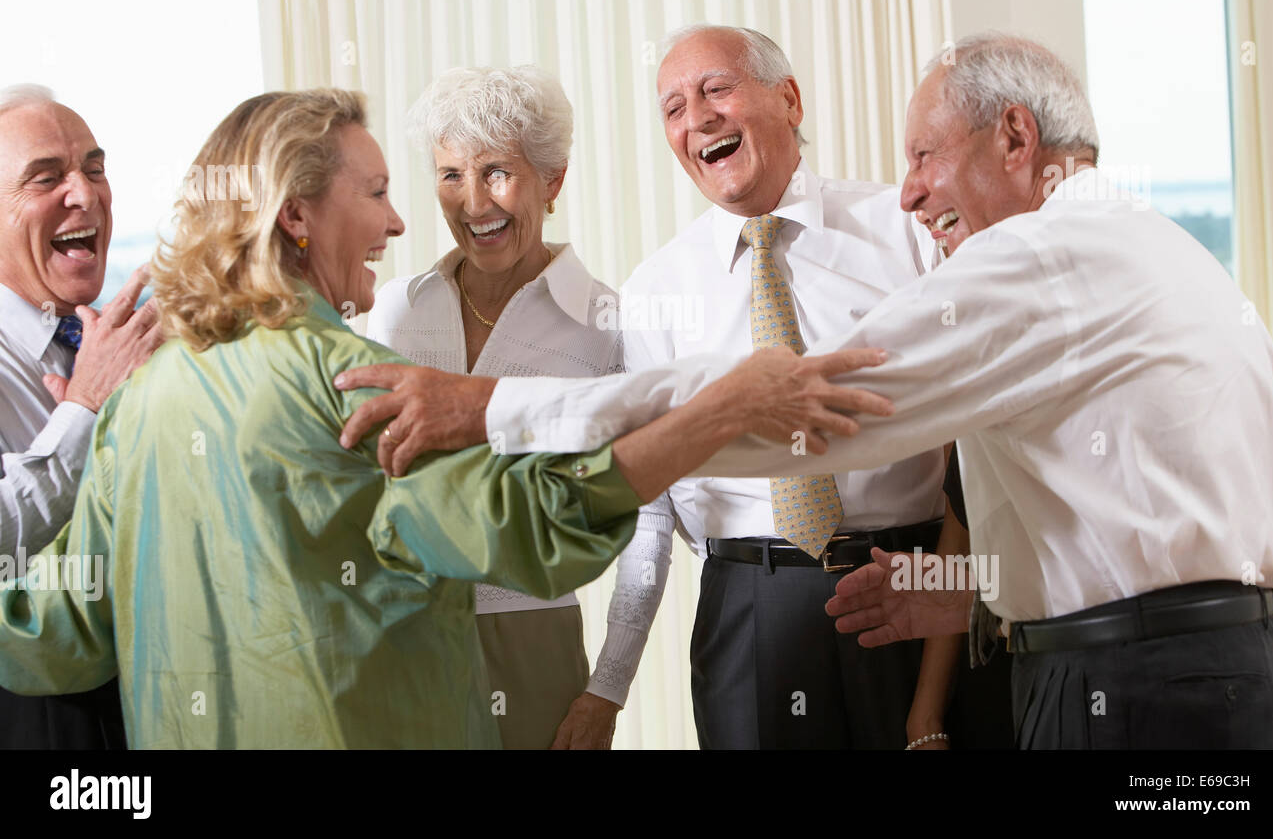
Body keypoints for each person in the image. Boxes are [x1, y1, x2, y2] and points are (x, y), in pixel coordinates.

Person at [341, 32, 1273, 748]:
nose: (913, 192)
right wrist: (968, 592)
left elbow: (811, 408)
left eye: (925, 157)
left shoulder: (1029, 256)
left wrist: (489, 406)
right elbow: (1194, 517)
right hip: (1170, 665)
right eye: (672, 105)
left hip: (1136, 691)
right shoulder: (1162, 245)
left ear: (1014, 135)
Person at [0, 88, 890, 748]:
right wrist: (722, 406)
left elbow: (52, 635)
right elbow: (536, 522)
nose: (397, 221)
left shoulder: (141, 395)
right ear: (299, 215)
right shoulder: (350, 383)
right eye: (377, 191)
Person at [341, 25, 961, 750]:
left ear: (788, 99)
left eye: (716, 90)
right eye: (673, 106)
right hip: (747, 602)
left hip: (910, 576)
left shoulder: (907, 227)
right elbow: (655, 501)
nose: (697, 118)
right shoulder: (653, 289)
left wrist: (957, 581)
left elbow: (976, 421)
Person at [365, 66, 630, 749]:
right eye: (451, 175)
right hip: (404, 627)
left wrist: (608, 687)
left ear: (553, 180)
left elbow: (647, 509)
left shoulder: (603, 323)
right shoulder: (396, 311)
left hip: (531, 636)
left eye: (496, 172)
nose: (474, 201)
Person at [0, 83, 163, 749]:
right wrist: (84, 408)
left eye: (95, 169)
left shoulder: (115, 339)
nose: (85, 194)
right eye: (46, 178)